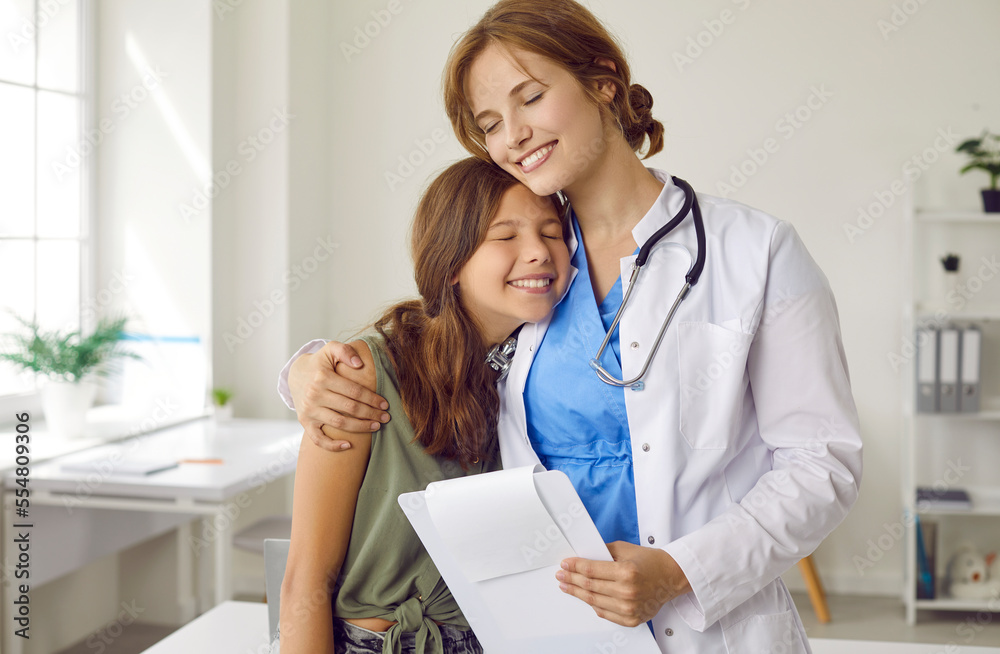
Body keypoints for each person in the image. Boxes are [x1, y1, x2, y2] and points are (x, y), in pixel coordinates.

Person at [278, 1, 863, 651]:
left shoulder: (756, 251)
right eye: (491, 123)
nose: (514, 135)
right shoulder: (533, 270)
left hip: (714, 631)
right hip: (557, 633)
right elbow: (429, 343)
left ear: (604, 82)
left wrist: (678, 572)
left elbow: (822, 463)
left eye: (531, 98)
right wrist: (306, 369)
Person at [274, 156, 571, 654]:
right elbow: (306, 578)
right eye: (506, 236)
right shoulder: (363, 374)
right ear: (451, 263)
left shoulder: (547, 371)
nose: (538, 252)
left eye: (552, 232)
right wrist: (300, 371)